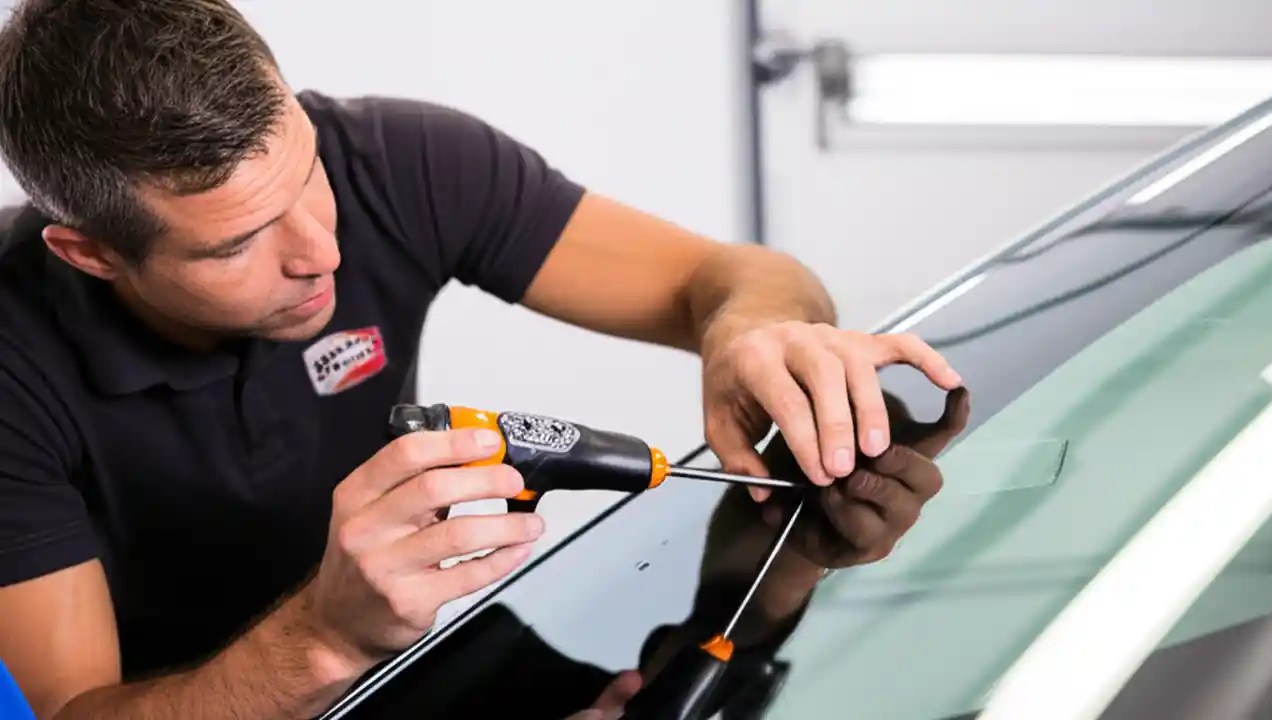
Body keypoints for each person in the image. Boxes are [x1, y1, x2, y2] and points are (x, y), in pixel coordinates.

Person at [0, 1, 962, 718]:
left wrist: (749, 335)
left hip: (449, 665)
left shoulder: (395, 160)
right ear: (90, 253)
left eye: (307, 175)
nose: (320, 251)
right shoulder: (12, 354)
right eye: (234, 245)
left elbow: (734, 275)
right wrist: (323, 639)